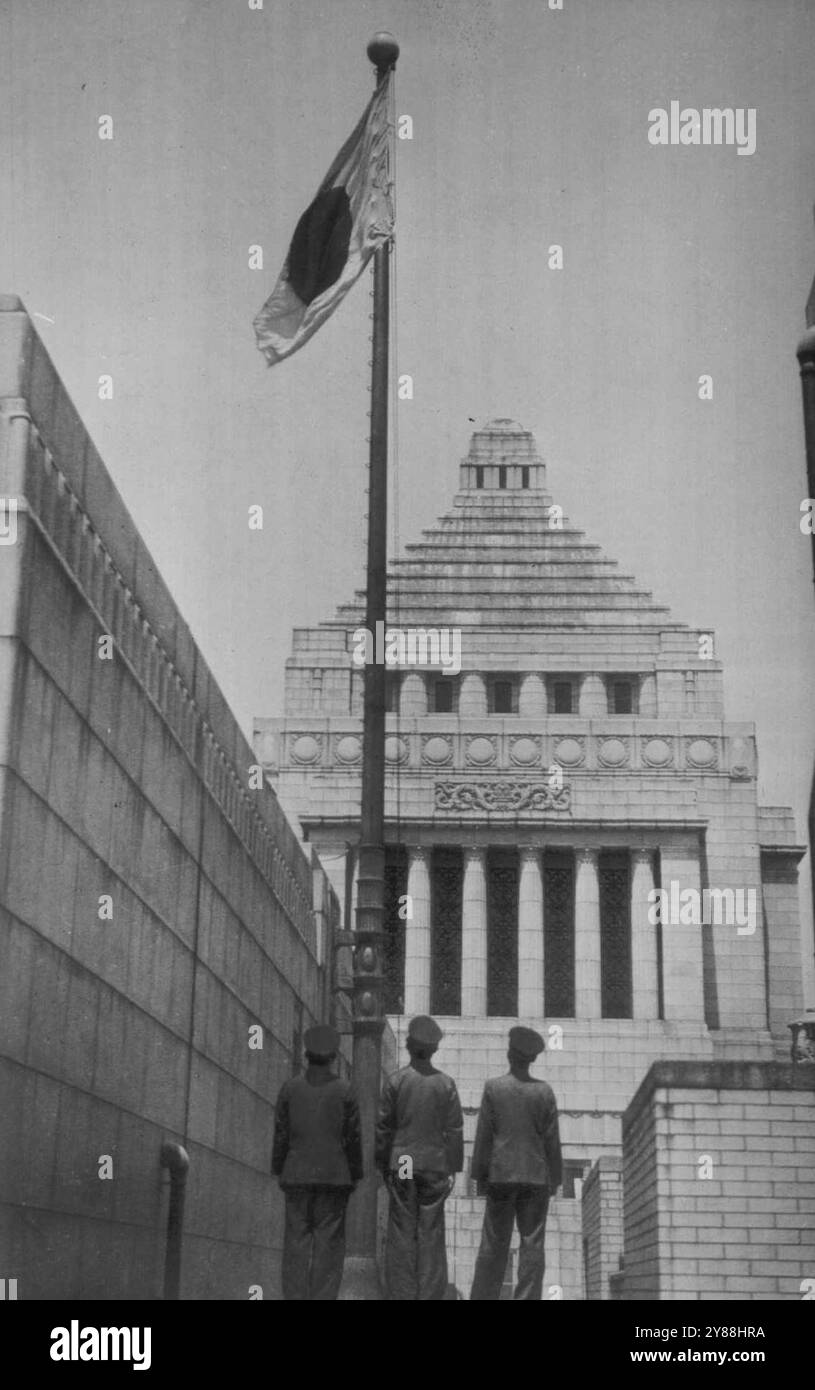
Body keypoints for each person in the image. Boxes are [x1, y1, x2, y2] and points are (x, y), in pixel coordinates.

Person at [469, 1025, 562, 1301]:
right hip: (536, 1178)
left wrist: (479, 1176)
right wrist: (555, 1179)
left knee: (494, 1243)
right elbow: (551, 1141)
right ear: (531, 1059)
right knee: (532, 1244)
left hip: (500, 1177)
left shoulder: (494, 1088)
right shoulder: (544, 1092)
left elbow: (484, 1136)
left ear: (509, 1054)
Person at [271, 1024, 363, 1300]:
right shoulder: (346, 1091)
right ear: (334, 1054)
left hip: (296, 1176)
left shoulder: (290, 1088)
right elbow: (354, 1137)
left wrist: (279, 1168)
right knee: (328, 1249)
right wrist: (355, 1174)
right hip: (334, 1178)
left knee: (296, 1246)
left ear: (306, 1052)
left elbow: (281, 1134)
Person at [375, 1014, 464, 1300]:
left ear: (409, 1045)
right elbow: (454, 1130)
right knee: (432, 1235)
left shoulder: (396, 1081)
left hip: (403, 1162)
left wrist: (382, 1164)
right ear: (434, 1049)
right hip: (436, 1165)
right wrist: (453, 1169)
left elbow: (383, 1127)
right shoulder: (446, 1084)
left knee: (401, 1231)